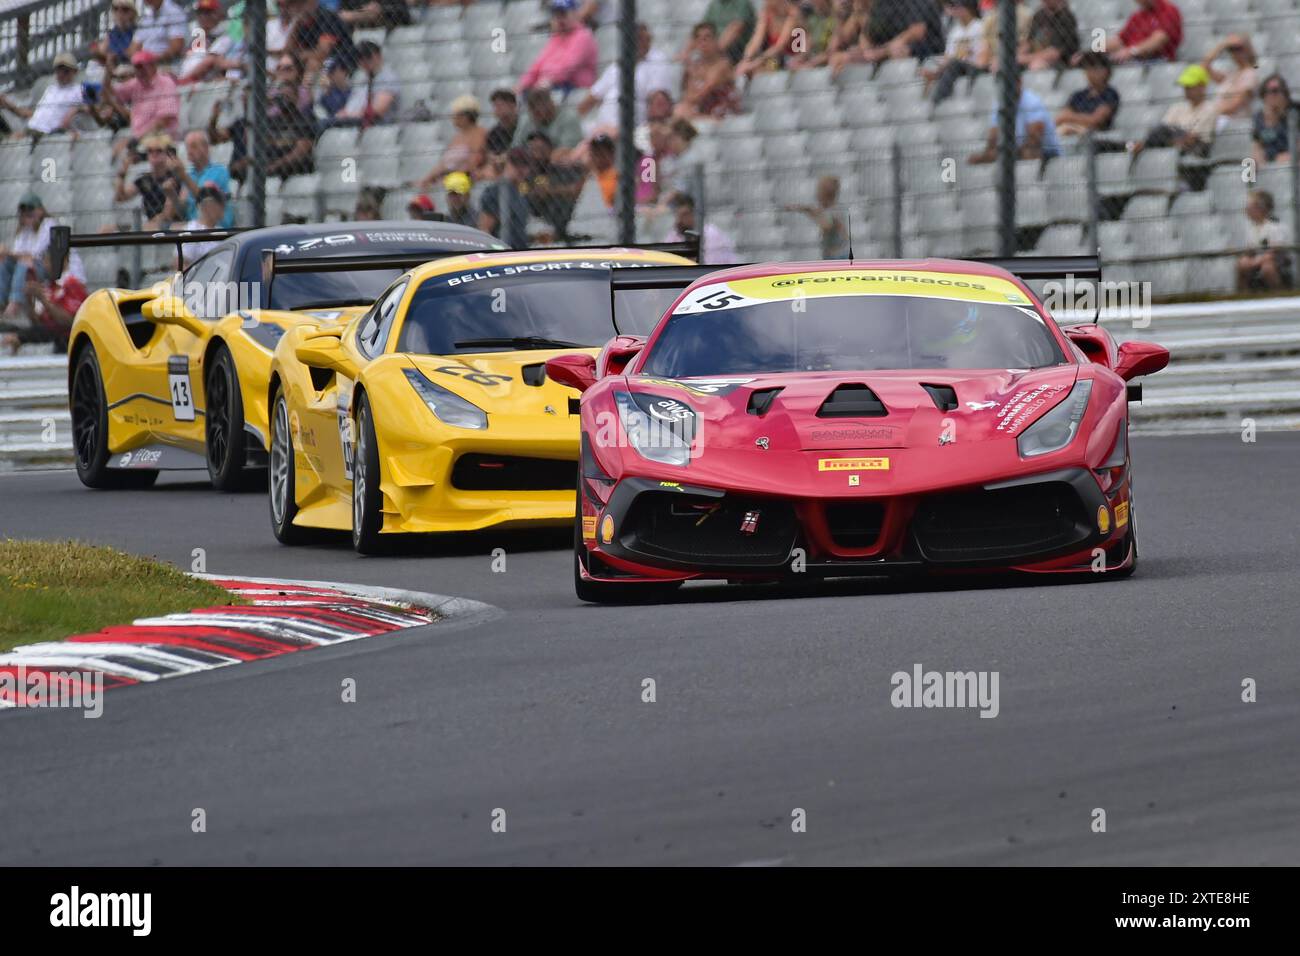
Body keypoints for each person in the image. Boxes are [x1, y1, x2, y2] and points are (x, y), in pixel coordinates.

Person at [578, 22, 674, 133]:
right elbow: (591, 98)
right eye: (636, 39)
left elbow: (658, 102)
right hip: (602, 129)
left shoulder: (657, 61)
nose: (641, 43)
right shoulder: (616, 66)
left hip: (632, 129)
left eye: (643, 38)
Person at [1, 245, 87, 355]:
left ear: (64, 261)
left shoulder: (72, 284)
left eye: (48, 261)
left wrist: (43, 300)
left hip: (65, 339)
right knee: (9, 328)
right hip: (46, 334)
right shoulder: (48, 286)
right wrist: (29, 300)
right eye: (45, 262)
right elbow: (36, 322)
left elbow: (69, 322)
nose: (46, 266)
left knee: (30, 334)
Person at [968, 74, 1061, 163]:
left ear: (1019, 83)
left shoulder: (1032, 102)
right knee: (976, 159)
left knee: (1028, 153)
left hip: (1046, 153)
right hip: (1014, 151)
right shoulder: (999, 104)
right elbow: (993, 139)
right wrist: (987, 155)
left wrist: (1006, 153)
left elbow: (1034, 141)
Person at [103, 49, 181, 151]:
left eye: (142, 67)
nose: (139, 72)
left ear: (153, 66)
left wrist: (136, 139)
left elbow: (163, 121)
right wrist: (108, 72)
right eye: (136, 68)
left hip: (161, 136)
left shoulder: (166, 83)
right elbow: (110, 93)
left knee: (128, 152)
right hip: (140, 138)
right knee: (116, 151)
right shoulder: (136, 84)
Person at [1132, 63, 1215, 157]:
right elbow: (1164, 128)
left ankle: (1144, 146)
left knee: (1164, 134)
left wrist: (1172, 138)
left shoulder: (1210, 108)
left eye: (1190, 86)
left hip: (1197, 148)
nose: (1186, 90)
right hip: (1174, 141)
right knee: (1161, 130)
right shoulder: (1178, 106)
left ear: (1202, 86)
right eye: (1185, 86)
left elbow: (1192, 138)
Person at [518, 0, 599, 95]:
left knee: (538, 96)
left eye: (563, 14)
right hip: (552, 85)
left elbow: (568, 66)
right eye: (556, 15)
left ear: (574, 14)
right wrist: (522, 84)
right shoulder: (557, 36)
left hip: (573, 87)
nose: (560, 19)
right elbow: (539, 63)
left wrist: (546, 81)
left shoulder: (583, 35)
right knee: (523, 93)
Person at [0, 53, 85, 138]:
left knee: (13, 138)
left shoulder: (78, 90)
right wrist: (8, 105)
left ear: (75, 71)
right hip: (32, 129)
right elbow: (36, 114)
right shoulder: (51, 89)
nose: (61, 74)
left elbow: (94, 107)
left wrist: (76, 110)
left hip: (49, 133)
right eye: (58, 70)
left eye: (66, 71)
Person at [1, 196, 59, 320]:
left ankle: (15, 303)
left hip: (49, 269)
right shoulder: (24, 231)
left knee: (24, 262)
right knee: (4, 262)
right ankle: (1, 301)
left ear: (40, 210)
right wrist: (6, 254)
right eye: (24, 212)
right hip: (31, 266)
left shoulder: (48, 225)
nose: (27, 214)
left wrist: (7, 252)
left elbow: (33, 255)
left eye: (30, 210)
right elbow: (17, 254)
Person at [521, 131, 586, 241]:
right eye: (533, 149)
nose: (536, 153)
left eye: (541, 149)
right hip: (531, 219)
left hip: (557, 217)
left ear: (550, 149)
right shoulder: (524, 174)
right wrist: (533, 193)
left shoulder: (561, 171)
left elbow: (576, 189)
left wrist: (550, 191)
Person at [115, 133, 185, 229]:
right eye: (150, 151)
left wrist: (141, 227)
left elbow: (167, 215)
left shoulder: (174, 177)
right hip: (149, 226)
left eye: (159, 151)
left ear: (168, 154)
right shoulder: (145, 179)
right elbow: (121, 197)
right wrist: (122, 174)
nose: (154, 154)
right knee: (107, 229)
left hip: (171, 226)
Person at [416, 95, 488, 189]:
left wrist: (451, 174)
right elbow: (444, 163)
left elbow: (474, 161)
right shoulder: (457, 137)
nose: (453, 117)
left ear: (466, 116)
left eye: (456, 114)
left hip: (464, 179)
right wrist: (428, 178)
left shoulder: (479, 133)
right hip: (448, 177)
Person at [676, 22, 741, 121]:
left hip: (723, 115)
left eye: (707, 37)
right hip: (704, 113)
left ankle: (683, 133)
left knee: (682, 114)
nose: (703, 42)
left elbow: (702, 93)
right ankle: (683, 134)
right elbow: (688, 95)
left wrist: (693, 74)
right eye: (699, 39)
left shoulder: (722, 65)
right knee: (680, 112)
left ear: (715, 40)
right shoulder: (696, 65)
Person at [923, 0, 984, 105]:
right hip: (955, 67)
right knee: (929, 65)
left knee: (952, 65)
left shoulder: (980, 26)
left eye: (958, 6)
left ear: (968, 8)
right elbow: (948, 56)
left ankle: (936, 102)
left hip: (973, 65)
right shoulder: (955, 31)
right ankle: (928, 101)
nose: (955, 10)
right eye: (953, 7)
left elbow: (981, 55)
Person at [1084, 0, 1181, 65]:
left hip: (1158, 60)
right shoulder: (1137, 16)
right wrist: (1090, 53)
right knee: (1099, 63)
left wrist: (1132, 51)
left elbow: (1159, 39)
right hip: (1133, 60)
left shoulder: (1168, 10)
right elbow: (1119, 40)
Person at [332, 40, 399, 127]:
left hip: (375, 124)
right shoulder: (361, 78)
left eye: (368, 57)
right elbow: (351, 104)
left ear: (378, 56)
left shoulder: (388, 78)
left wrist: (348, 115)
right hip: (351, 121)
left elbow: (377, 111)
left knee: (324, 124)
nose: (364, 61)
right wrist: (344, 113)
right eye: (360, 58)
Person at [1237, 190, 1293, 292]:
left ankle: (1279, 296)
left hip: (1275, 262)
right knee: (1241, 263)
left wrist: (1255, 262)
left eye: (1250, 207)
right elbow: (1249, 251)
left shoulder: (1275, 226)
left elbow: (1274, 252)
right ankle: (1243, 298)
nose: (1246, 210)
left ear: (1260, 209)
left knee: (1268, 268)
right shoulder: (1251, 228)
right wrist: (1247, 259)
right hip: (1257, 261)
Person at [178, 0, 245, 85]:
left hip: (206, 83)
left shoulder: (224, 36)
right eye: (200, 13)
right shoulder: (194, 33)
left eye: (208, 13)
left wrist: (186, 79)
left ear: (218, 14)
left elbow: (213, 62)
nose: (203, 17)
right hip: (186, 80)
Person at [857, 0, 946, 64]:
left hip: (924, 51)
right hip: (885, 51)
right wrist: (866, 51)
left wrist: (881, 52)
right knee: (851, 57)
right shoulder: (881, 3)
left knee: (899, 51)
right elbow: (866, 33)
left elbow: (917, 31)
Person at [479, 148, 533, 249]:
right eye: (516, 164)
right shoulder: (495, 191)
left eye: (524, 164)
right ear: (507, 165)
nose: (520, 169)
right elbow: (485, 229)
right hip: (502, 251)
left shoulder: (521, 192)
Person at [1055, 52, 1120, 138]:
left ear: (1106, 71)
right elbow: (1061, 117)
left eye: (1094, 67)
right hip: (1071, 128)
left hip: (1095, 134)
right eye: (1087, 67)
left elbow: (1096, 120)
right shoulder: (1079, 95)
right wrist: (1083, 119)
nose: (1090, 71)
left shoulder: (1110, 94)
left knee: (1064, 130)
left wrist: (1071, 118)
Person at [785, 174, 850, 259]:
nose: (816, 194)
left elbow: (826, 225)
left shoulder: (835, 211)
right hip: (831, 255)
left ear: (824, 194)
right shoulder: (828, 209)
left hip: (838, 257)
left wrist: (811, 214)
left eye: (819, 190)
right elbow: (812, 209)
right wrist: (799, 208)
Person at [179, 129, 234, 228]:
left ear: (206, 148)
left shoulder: (219, 171)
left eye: (194, 147)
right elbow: (181, 209)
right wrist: (170, 193)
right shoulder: (189, 174)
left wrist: (183, 176)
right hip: (192, 225)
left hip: (217, 226)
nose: (189, 151)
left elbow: (204, 199)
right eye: (187, 147)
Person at [1201, 34, 1257, 127]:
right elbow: (1204, 67)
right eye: (1231, 49)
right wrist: (1221, 46)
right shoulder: (1231, 74)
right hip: (1219, 118)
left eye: (1238, 48)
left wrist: (1211, 113)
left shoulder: (1250, 74)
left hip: (1233, 122)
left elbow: (1236, 105)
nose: (1234, 53)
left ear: (1247, 49)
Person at [512, 87, 584, 158]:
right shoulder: (527, 119)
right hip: (529, 162)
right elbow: (515, 147)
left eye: (544, 107)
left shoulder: (569, 117)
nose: (542, 114)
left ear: (551, 103)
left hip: (562, 163)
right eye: (536, 112)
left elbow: (569, 149)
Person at [666, 192, 736, 264]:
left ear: (693, 213)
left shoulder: (711, 234)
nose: (679, 220)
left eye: (684, 215)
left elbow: (709, 265)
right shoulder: (674, 235)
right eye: (677, 215)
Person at [736, 0, 797, 80]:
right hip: (774, 58)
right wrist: (746, 59)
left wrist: (755, 63)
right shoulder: (766, 12)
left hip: (792, 58)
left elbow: (780, 47)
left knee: (760, 70)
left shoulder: (793, 14)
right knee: (745, 71)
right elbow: (756, 40)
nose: (765, 2)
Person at [1021, 0, 1079, 71]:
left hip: (1059, 63)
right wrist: (1017, 55)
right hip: (1034, 57)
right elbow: (1028, 42)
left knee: (1036, 65)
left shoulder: (1066, 17)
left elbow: (1054, 53)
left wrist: (1024, 59)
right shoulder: (1039, 15)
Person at [1252, 74, 1294, 167]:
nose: (1271, 95)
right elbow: (1257, 145)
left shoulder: (1295, 113)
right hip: (1269, 164)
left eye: (1275, 91)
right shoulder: (1259, 117)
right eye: (1267, 92)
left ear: (1284, 93)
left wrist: (1292, 156)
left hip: (1291, 161)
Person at [130, 0, 187, 65]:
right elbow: (134, 46)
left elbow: (176, 46)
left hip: (166, 64)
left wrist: (151, 60)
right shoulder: (146, 13)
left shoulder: (174, 12)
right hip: (144, 64)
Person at [787, 0, 838, 71]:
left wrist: (810, 64)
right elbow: (808, 47)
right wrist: (799, 59)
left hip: (827, 63)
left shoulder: (835, 20)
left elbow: (830, 51)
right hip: (813, 61)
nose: (813, 2)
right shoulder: (813, 19)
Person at [316, 56, 353, 126]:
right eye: (327, 72)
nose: (329, 75)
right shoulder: (326, 95)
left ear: (344, 71)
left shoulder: (355, 91)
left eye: (332, 71)